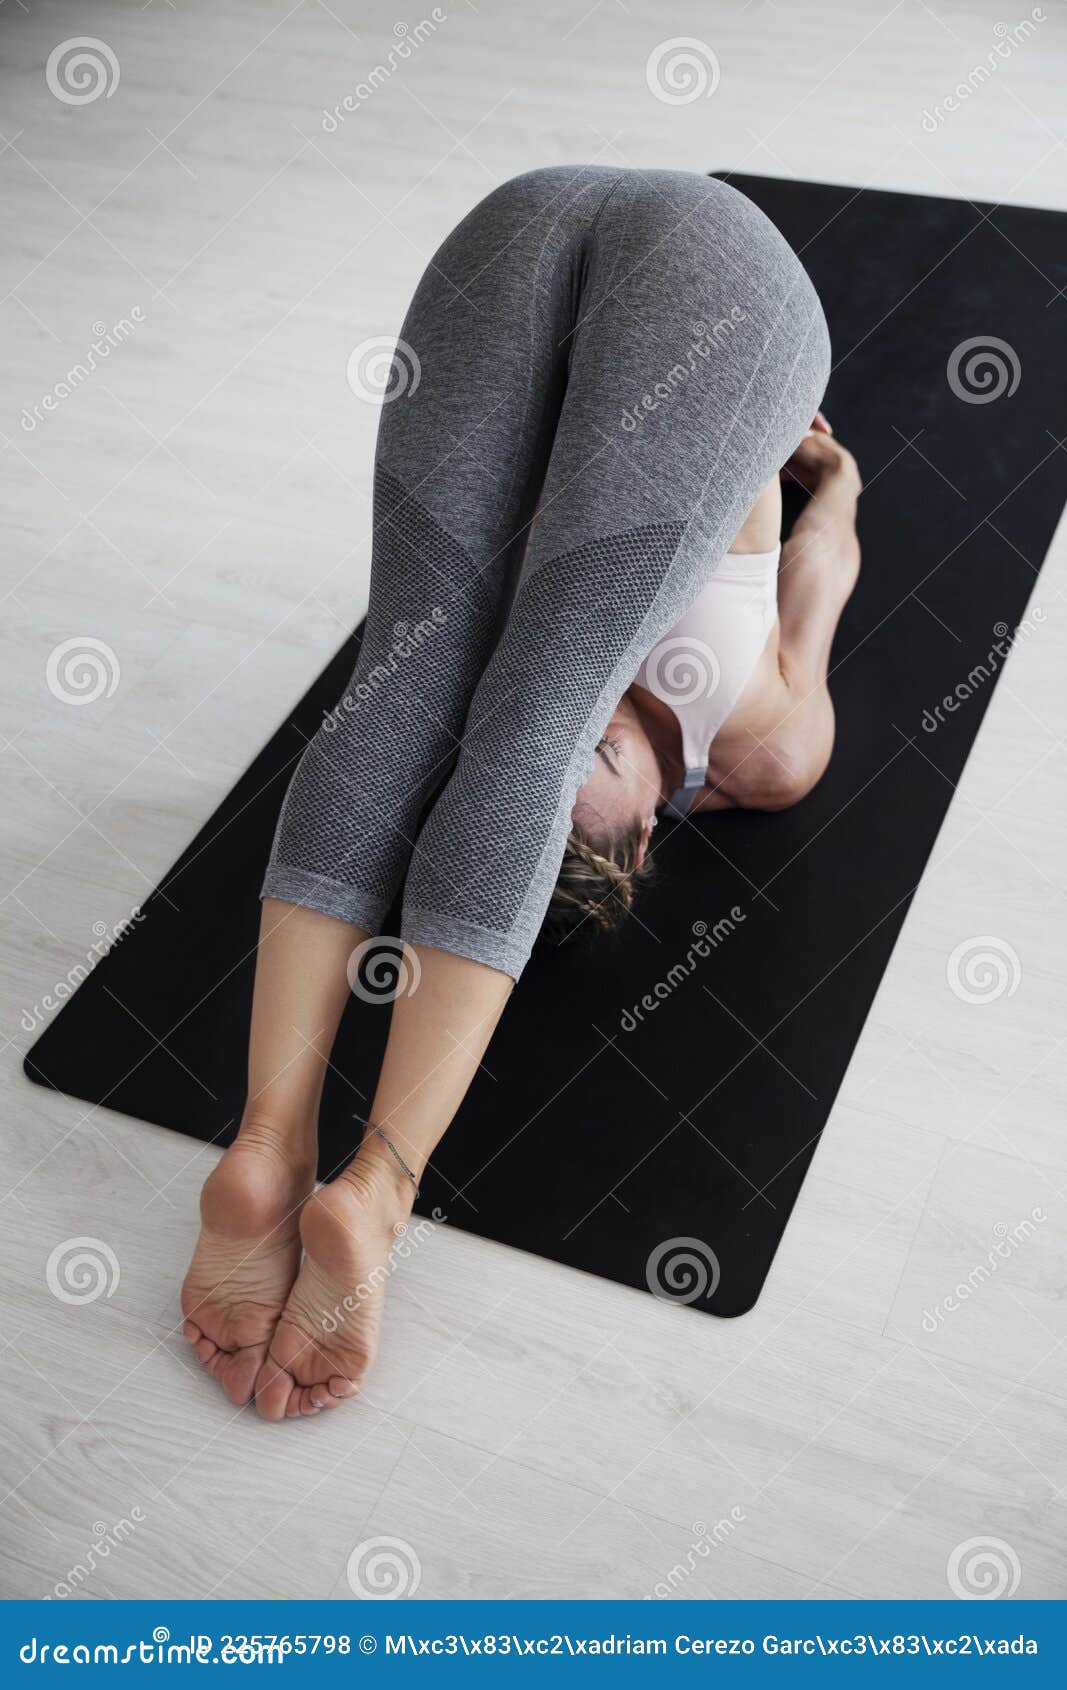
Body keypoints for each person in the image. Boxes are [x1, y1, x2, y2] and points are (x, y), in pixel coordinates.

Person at [180, 165, 856, 1421]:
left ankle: (272, 1145)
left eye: (566, 794)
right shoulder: (759, 749)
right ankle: (374, 1186)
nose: (599, 745)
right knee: (529, 717)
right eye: (602, 778)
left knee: (405, 691)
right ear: (653, 826)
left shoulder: (491, 709)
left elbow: (457, 734)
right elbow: (817, 586)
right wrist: (843, 490)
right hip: (735, 282)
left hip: (512, 221)